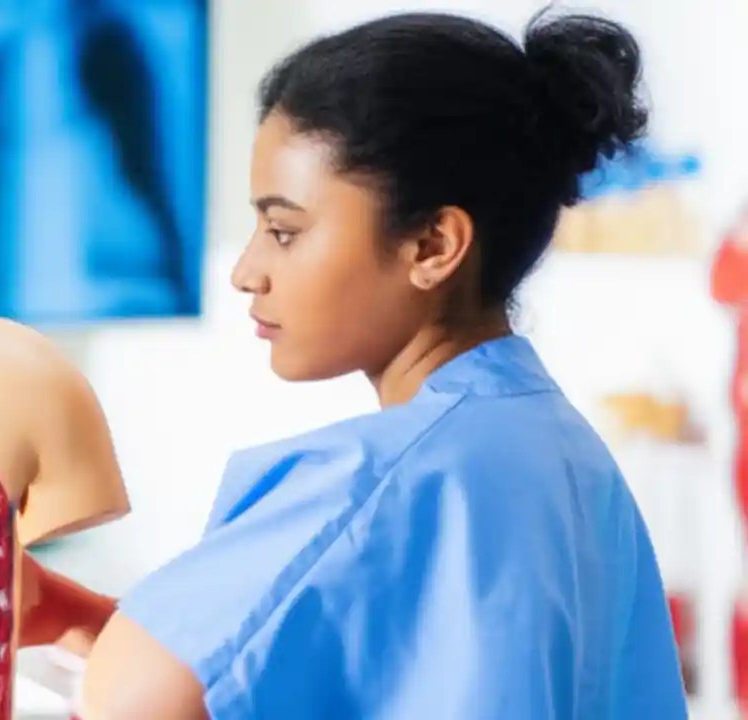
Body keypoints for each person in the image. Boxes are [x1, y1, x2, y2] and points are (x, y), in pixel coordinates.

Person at [72, 9, 687, 719]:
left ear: (432, 245)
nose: (247, 271)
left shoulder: (381, 480)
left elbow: (132, 700)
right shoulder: (569, 461)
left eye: (283, 231)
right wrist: (83, 621)